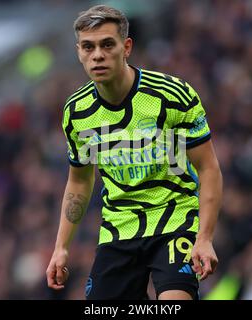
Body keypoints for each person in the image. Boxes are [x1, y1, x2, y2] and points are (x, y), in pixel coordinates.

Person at [46, 4, 223, 300]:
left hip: (175, 221)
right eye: (88, 47)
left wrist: (204, 238)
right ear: (78, 52)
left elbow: (208, 169)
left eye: (107, 45)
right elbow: (79, 181)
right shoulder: (76, 112)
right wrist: (61, 247)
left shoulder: (171, 95)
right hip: (118, 231)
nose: (97, 55)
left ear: (126, 47)